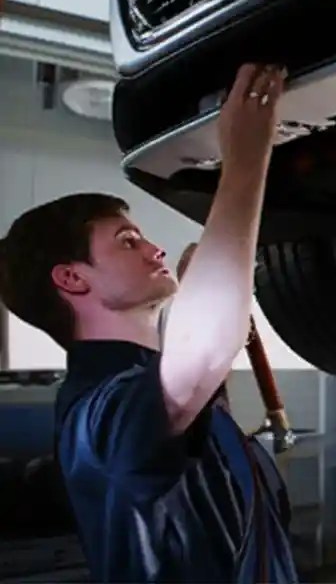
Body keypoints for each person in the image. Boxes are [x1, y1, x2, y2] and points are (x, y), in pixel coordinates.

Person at [0, 63, 298, 582]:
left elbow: (194, 374)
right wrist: (246, 155)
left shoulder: (142, 391)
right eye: (126, 240)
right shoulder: (93, 418)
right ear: (72, 279)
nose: (153, 246)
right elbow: (199, 361)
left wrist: (202, 304)